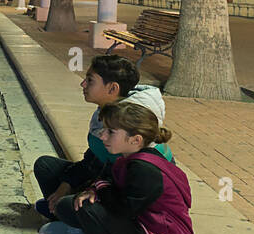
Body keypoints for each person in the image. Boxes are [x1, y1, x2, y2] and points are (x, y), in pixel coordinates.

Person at [51, 101, 194, 234]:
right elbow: (111, 184)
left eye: (111, 132)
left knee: (89, 209)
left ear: (135, 140)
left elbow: (121, 209)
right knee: (79, 204)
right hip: (150, 229)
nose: (102, 135)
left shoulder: (144, 169)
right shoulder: (134, 158)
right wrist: (96, 189)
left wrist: (99, 189)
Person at [32, 54, 172, 223]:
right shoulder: (109, 113)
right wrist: (66, 184)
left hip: (127, 203)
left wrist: (90, 192)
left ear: (112, 89)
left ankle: (72, 222)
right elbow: (93, 160)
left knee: (67, 206)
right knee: (45, 166)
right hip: (105, 182)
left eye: (90, 80)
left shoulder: (128, 124)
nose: (82, 84)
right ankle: (61, 212)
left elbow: (123, 188)